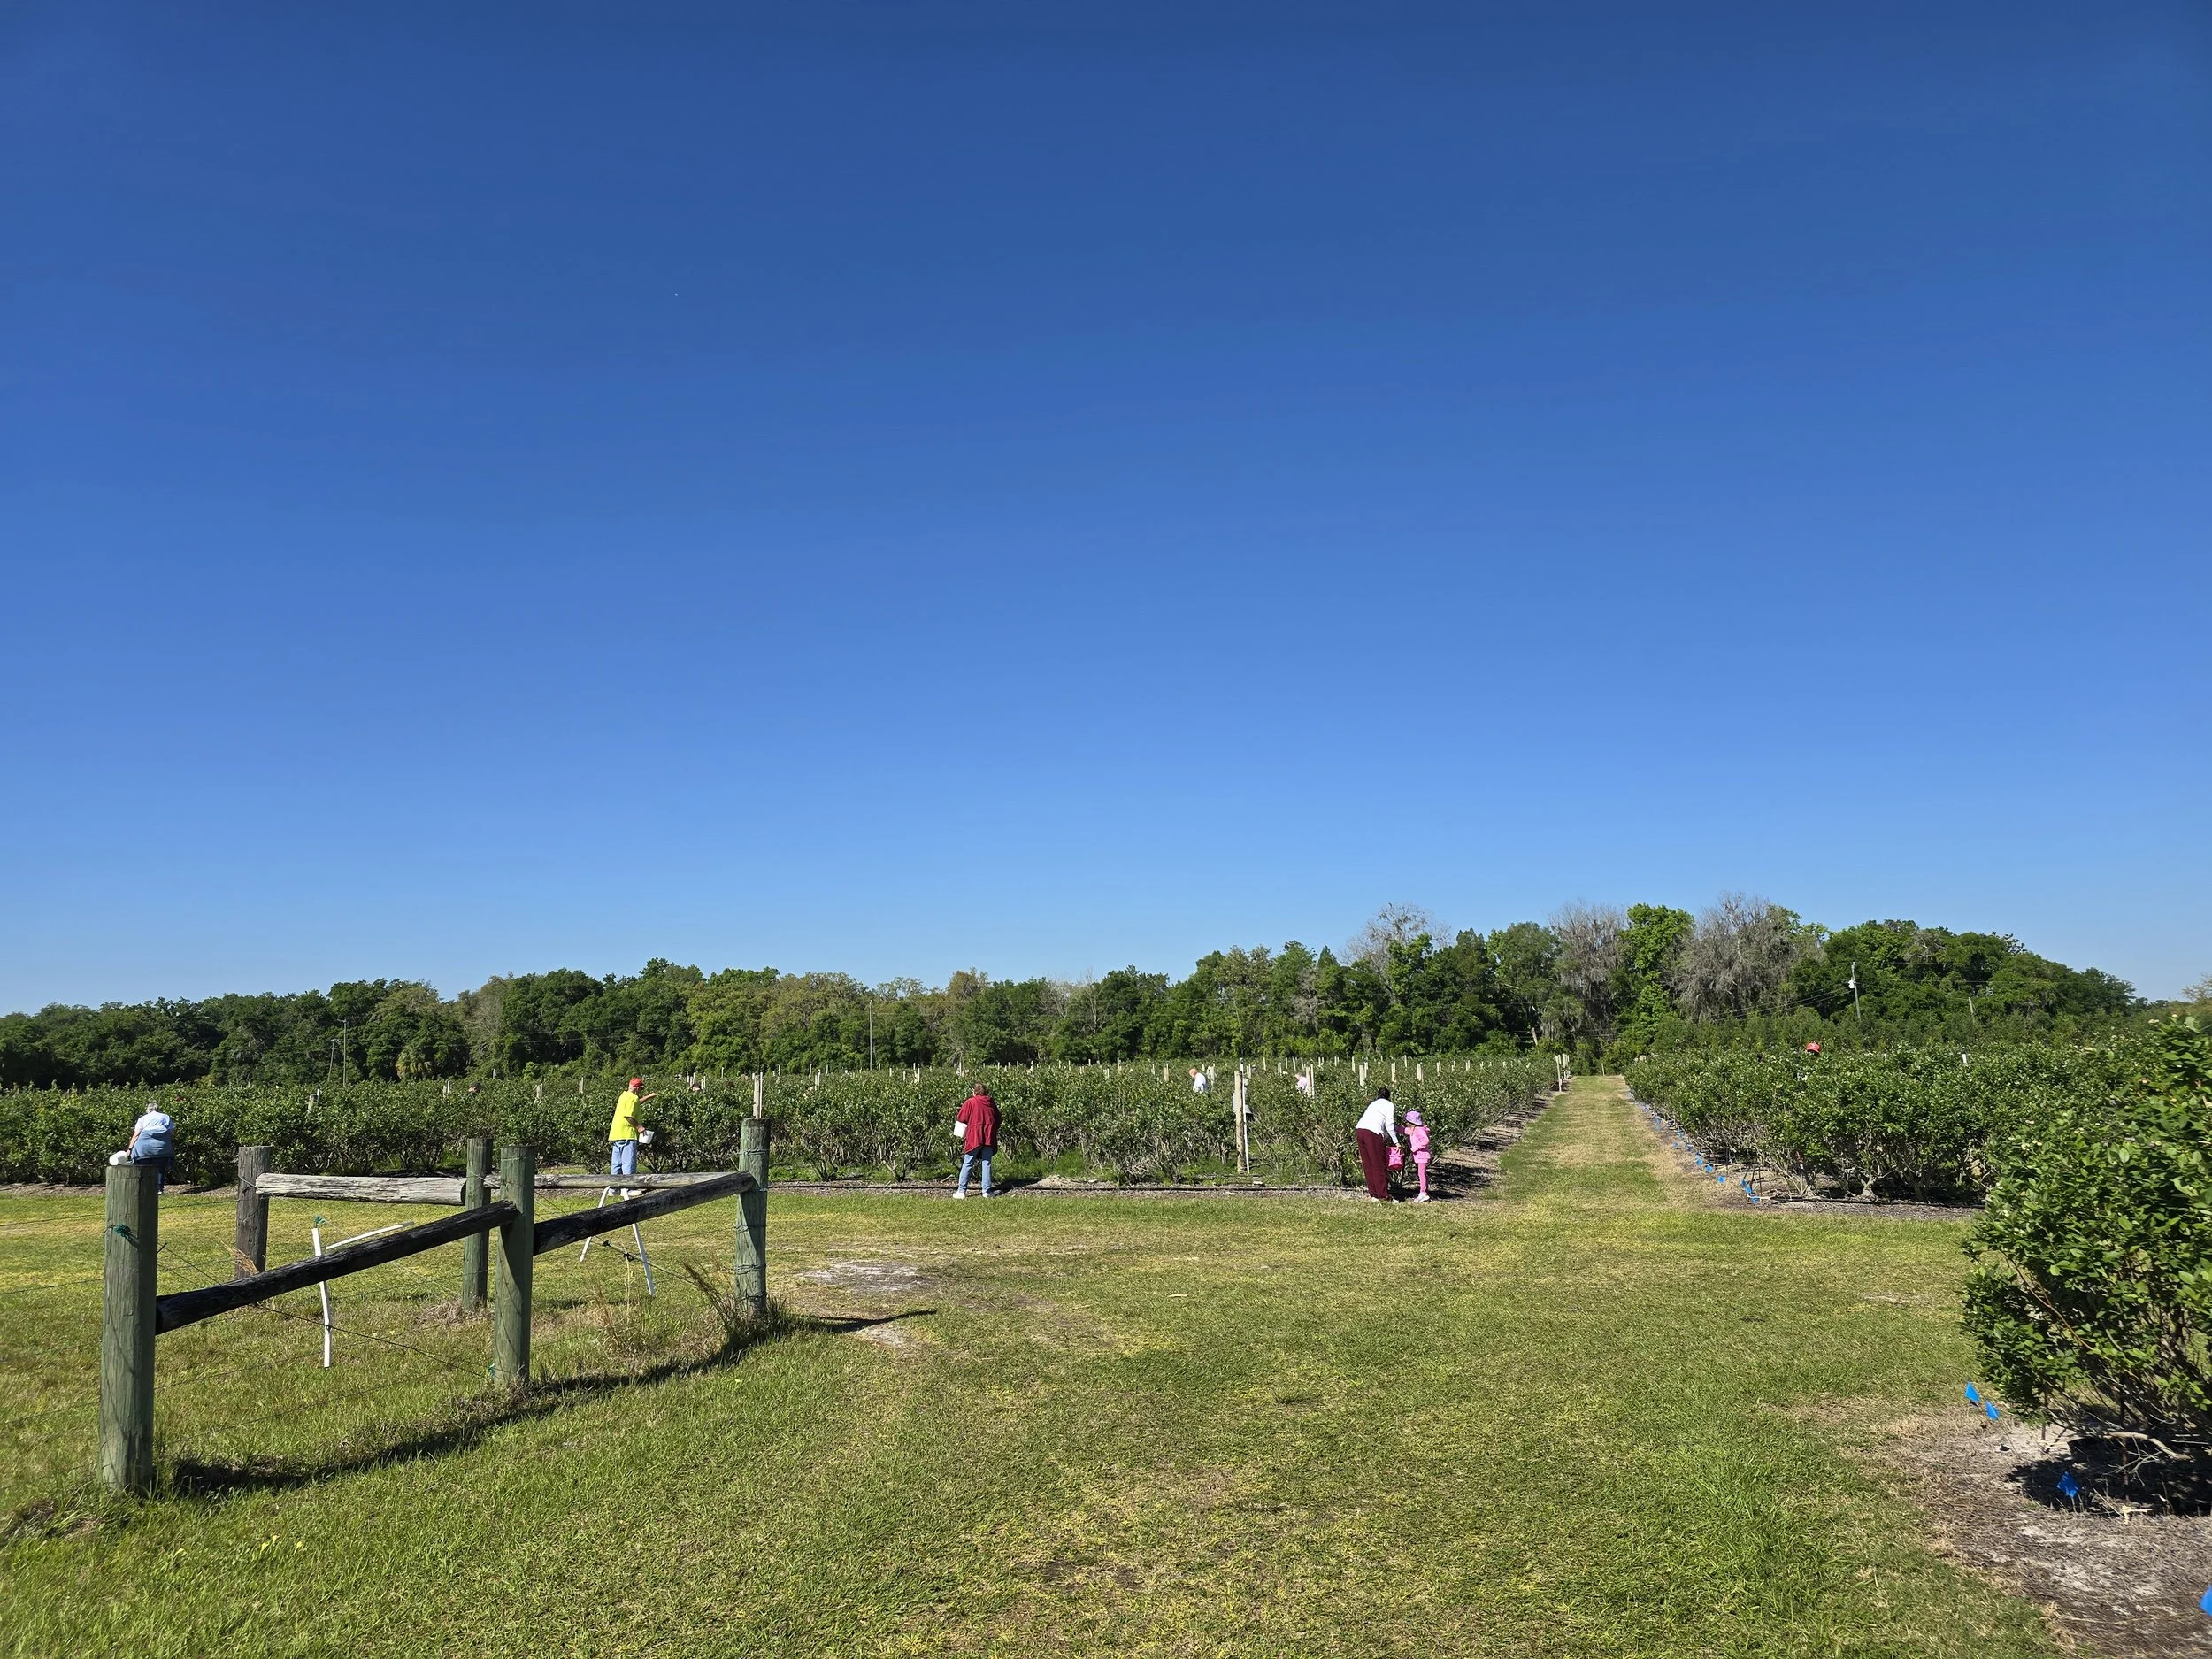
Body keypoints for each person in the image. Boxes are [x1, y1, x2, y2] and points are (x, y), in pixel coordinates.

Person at [1353, 1087, 1399, 1202]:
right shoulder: (1389, 1105)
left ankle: (1374, 1194)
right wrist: (1396, 1141)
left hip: (1360, 1130)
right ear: (1389, 1096)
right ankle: (1384, 1196)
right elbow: (1389, 1124)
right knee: (1379, 1164)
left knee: (1368, 1164)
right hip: (1372, 1133)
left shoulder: (1373, 1104)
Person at [953, 1087, 999, 1199]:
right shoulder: (991, 1103)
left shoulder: (970, 1102)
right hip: (988, 1136)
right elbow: (998, 1119)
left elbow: (961, 1118)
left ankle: (961, 1191)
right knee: (986, 1162)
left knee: (968, 1162)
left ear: (975, 1092)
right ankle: (987, 1191)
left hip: (975, 1136)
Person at [609, 1077, 657, 1179]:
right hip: (628, 1134)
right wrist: (639, 1127)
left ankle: (613, 1189)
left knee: (616, 1164)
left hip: (617, 1133)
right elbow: (628, 1116)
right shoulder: (633, 1098)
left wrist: (648, 1097)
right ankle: (629, 1188)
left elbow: (635, 1103)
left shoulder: (624, 1096)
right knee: (628, 1163)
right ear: (638, 1088)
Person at [127, 1102, 175, 1194]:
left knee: (144, 1169)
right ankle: (159, 1190)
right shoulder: (166, 1117)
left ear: (148, 1110)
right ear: (158, 1109)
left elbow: (136, 1134)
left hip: (143, 1148)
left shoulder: (142, 1119)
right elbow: (171, 1132)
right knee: (160, 1169)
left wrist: (129, 1149)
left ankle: (145, 1190)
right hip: (162, 1147)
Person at [1404, 1108, 1432, 1202]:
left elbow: (1425, 1141)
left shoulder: (1418, 1130)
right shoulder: (1413, 1129)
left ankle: (1423, 1193)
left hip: (1422, 1155)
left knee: (1421, 1174)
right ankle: (1424, 1192)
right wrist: (1394, 1128)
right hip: (1421, 1156)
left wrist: (1415, 1148)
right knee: (1422, 1173)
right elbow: (1404, 1130)